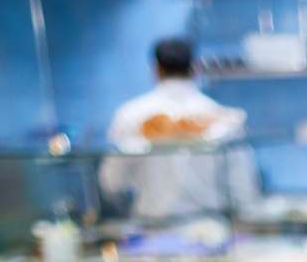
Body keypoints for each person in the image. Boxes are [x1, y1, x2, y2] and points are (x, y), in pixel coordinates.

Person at [99, 37, 258, 225]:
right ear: (194, 68)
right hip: (211, 228)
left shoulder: (129, 115)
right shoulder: (221, 116)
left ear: (156, 69)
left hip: (152, 229)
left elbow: (112, 182)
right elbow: (242, 185)